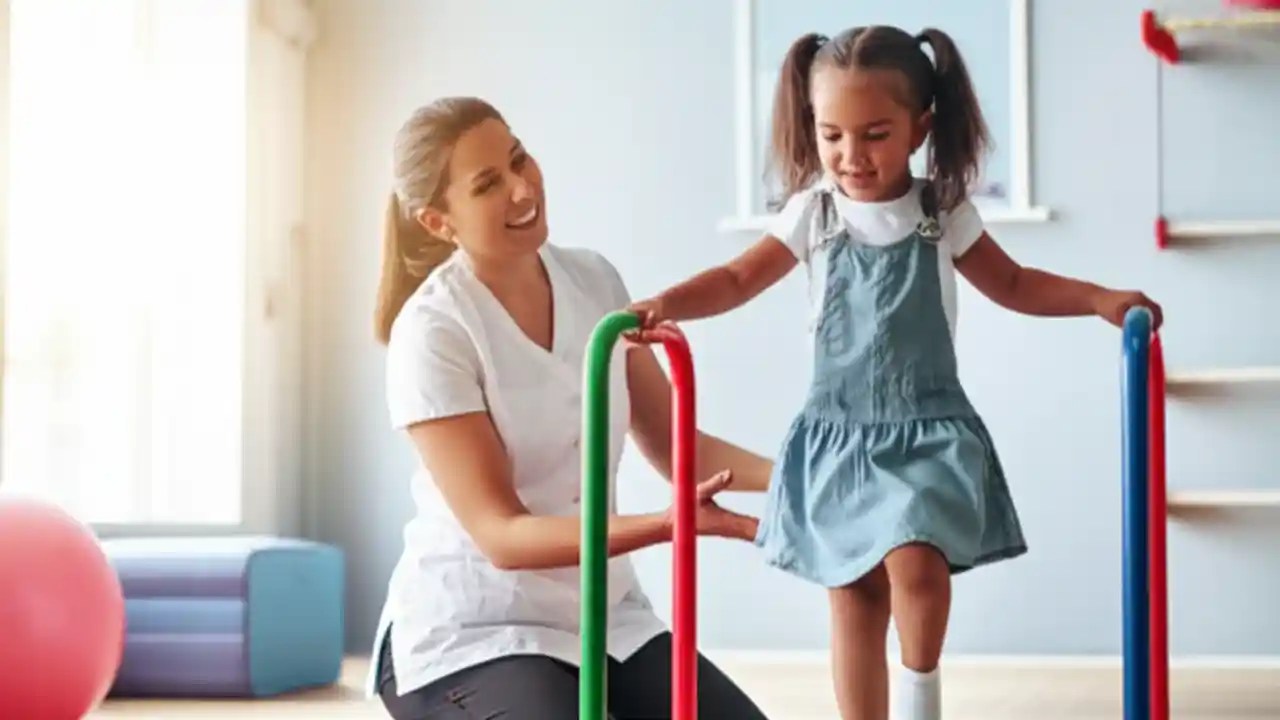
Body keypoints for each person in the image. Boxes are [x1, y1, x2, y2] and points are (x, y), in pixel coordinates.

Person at [626, 25, 1163, 720]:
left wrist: (1098, 299)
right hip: (840, 435)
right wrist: (669, 303)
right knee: (853, 599)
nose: (851, 155)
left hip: (925, 432)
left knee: (917, 565)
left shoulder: (941, 211)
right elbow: (736, 278)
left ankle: (921, 696)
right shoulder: (812, 213)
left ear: (920, 127)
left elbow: (1017, 283)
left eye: (875, 133)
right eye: (832, 135)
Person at [369, 96, 774, 720]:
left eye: (518, 159)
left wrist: (800, 478)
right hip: (474, 632)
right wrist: (669, 524)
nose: (522, 186)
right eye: (487, 184)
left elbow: (677, 448)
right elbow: (502, 535)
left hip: (605, 620)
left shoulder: (594, 282)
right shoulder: (434, 331)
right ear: (437, 222)